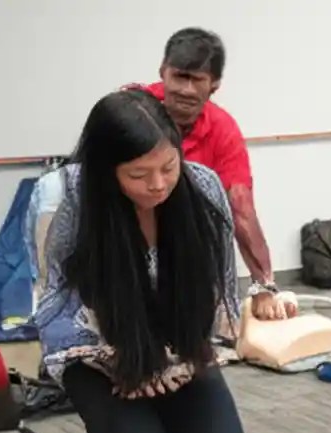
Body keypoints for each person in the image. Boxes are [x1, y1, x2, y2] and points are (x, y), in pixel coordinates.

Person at [33, 90, 262, 433]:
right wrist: (118, 361)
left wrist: (184, 358)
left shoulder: (202, 187)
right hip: (103, 357)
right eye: (138, 175)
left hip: (179, 350)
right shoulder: (65, 198)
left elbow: (215, 286)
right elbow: (55, 306)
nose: (158, 185)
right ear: (106, 171)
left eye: (168, 166)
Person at [125, 28, 291, 320]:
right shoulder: (129, 110)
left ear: (214, 84)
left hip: (183, 251)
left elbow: (240, 208)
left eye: (197, 80)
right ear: (163, 72)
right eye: (180, 77)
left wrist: (264, 285)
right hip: (123, 240)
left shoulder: (223, 130)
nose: (186, 90)